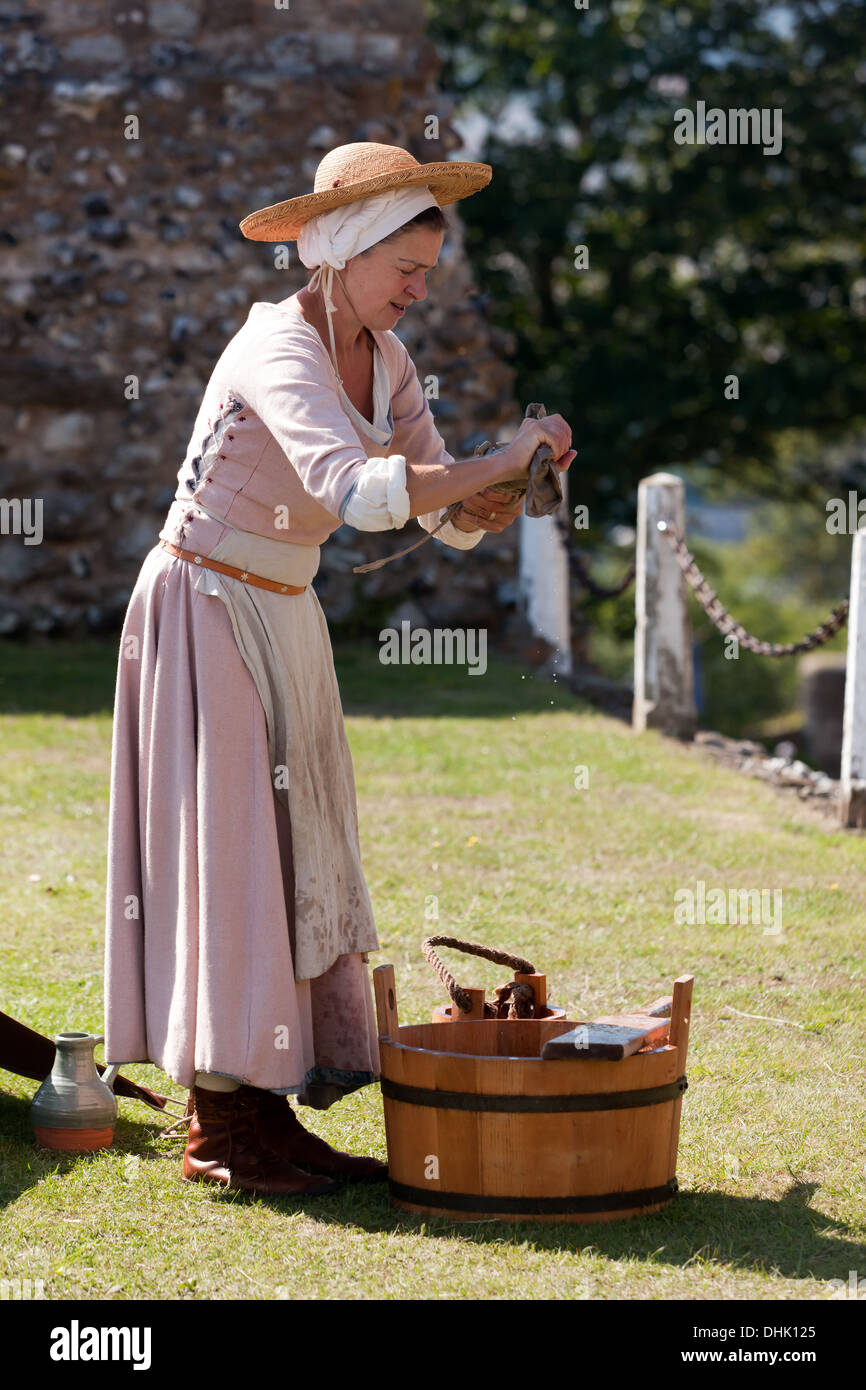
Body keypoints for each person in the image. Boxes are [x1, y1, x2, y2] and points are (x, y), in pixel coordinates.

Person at [102, 141, 575, 1196]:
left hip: (284, 606)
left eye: (425, 270)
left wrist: (499, 485)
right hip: (204, 602)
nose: (417, 288)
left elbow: (437, 512)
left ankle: (264, 1113)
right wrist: (488, 463)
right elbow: (358, 490)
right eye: (403, 267)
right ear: (346, 252)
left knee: (291, 849)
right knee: (233, 856)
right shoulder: (278, 346)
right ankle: (218, 1129)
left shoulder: (388, 356)